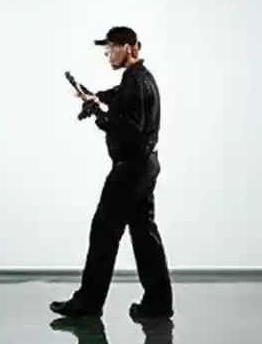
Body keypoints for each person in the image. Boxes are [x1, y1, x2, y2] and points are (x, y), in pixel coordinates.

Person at [50, 26, 174, 321]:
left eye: (113, 47)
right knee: (144, 235)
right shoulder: (138, 79)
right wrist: (94, 96)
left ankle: (88, 303)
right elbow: (117, 96)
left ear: (130, 48)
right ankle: (158, 304)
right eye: (107, 48)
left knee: (104, 231)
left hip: (130, 170)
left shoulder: (137, 82)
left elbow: (129, 130)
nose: (108, 53)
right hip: (143, 168)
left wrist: (99, 114)